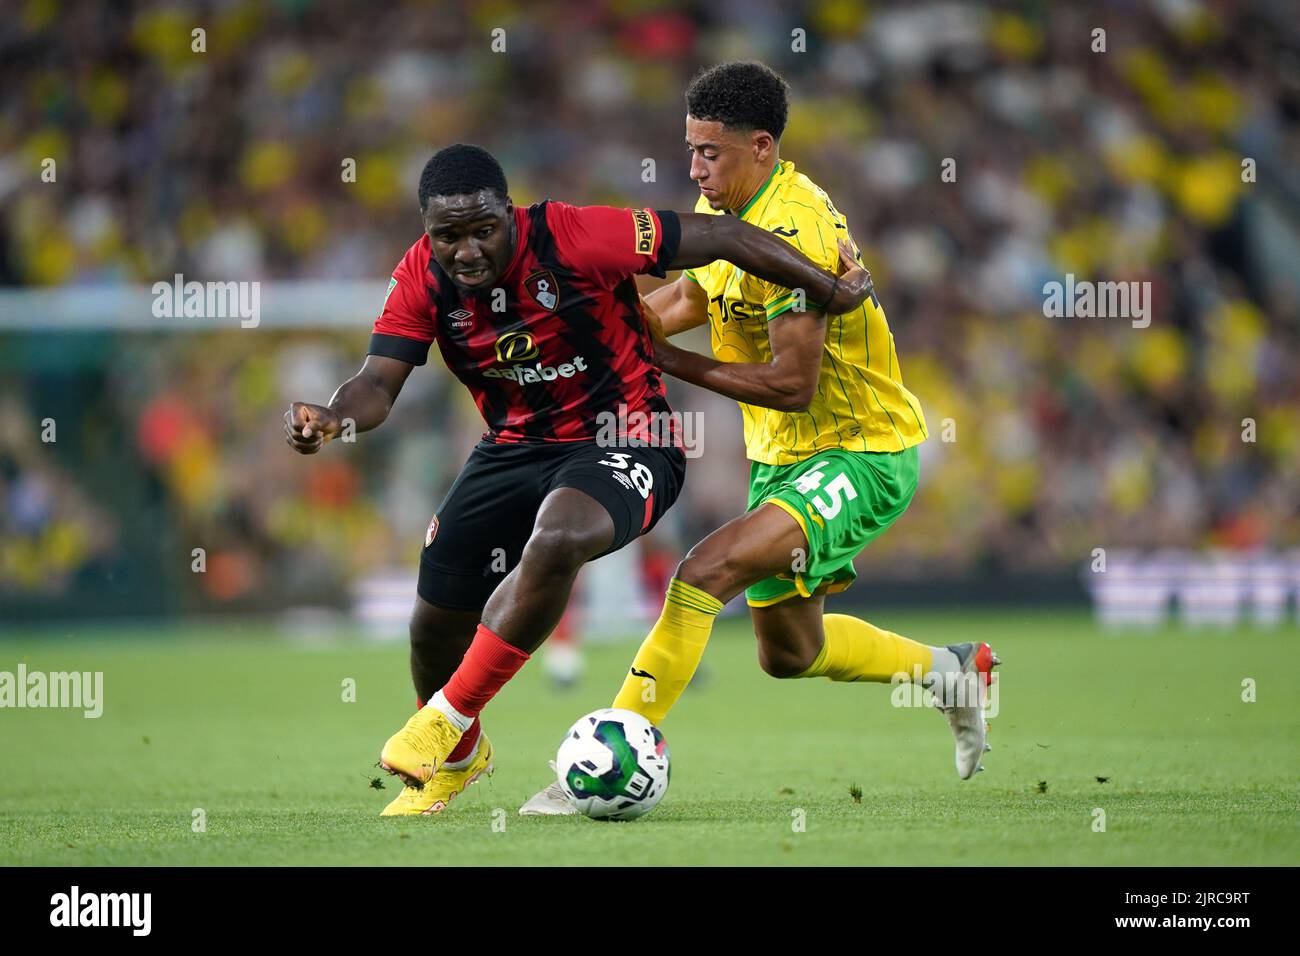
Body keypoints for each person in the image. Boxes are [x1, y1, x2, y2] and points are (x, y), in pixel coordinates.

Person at [284, 142, 878, 814]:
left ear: (509, 214)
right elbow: (376, 382)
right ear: (428, 233)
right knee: (433, 623)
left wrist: (826, 287)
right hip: (513, 447)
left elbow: (722, 234)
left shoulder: (575, 234)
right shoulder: (421, 276)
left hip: (628, 435)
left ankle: (444, 717)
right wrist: (334, 416)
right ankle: (458, 758)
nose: (468, 251)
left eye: (483, 230)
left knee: (561, 534)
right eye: (448, 237)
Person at [521, 62, 999, 816]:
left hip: (861, 450)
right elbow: (680, 297)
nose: (694, 167)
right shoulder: (733, 213)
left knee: (701, 571)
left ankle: (607, 756)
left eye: (709, 152)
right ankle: (950, 672)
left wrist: (668, 360)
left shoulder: (795, 231)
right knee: (789, 653)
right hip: (784, 460)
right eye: (691, 150)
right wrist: (570, 321)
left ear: (763, 147)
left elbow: (792, 384)